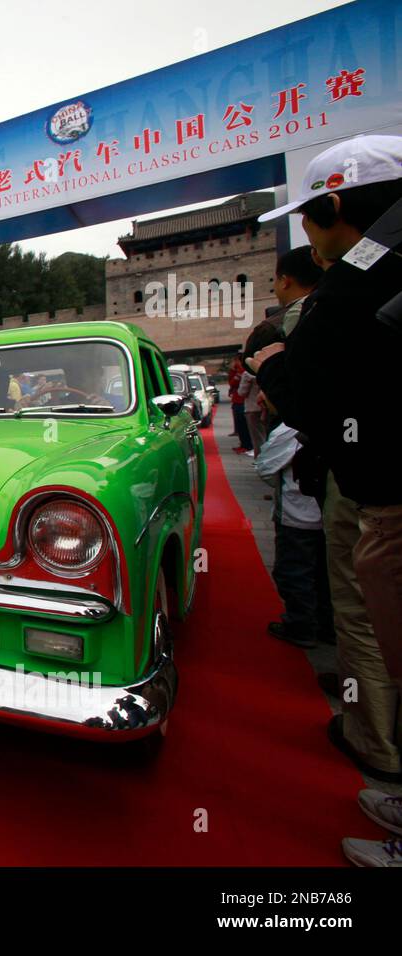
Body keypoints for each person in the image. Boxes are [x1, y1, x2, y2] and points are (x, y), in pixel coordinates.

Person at [250, 135, 402, 863]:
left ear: (334, 206)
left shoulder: (364, 277)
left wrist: (273, 360)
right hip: (376, 493)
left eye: (309, 220)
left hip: (390, 501)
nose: (308, 241)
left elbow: (307, 393)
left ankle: (377, 748)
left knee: (372, 622)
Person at [255, 423, 333, 649]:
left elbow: (266, 467)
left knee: (294, 571)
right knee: (328, 574)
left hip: (298, 514)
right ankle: (327, 626)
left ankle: (301, 625)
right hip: (331, 518)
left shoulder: (292, 428)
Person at [227, 355, 252, 452]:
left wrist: (236, 373)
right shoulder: (236, 370)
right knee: (240, 424)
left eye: (235, 360)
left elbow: (233, 383)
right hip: (237, 400)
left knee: (243, 425)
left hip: (241, 401)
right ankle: (244, 443)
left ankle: (247, 445)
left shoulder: (242, 372)